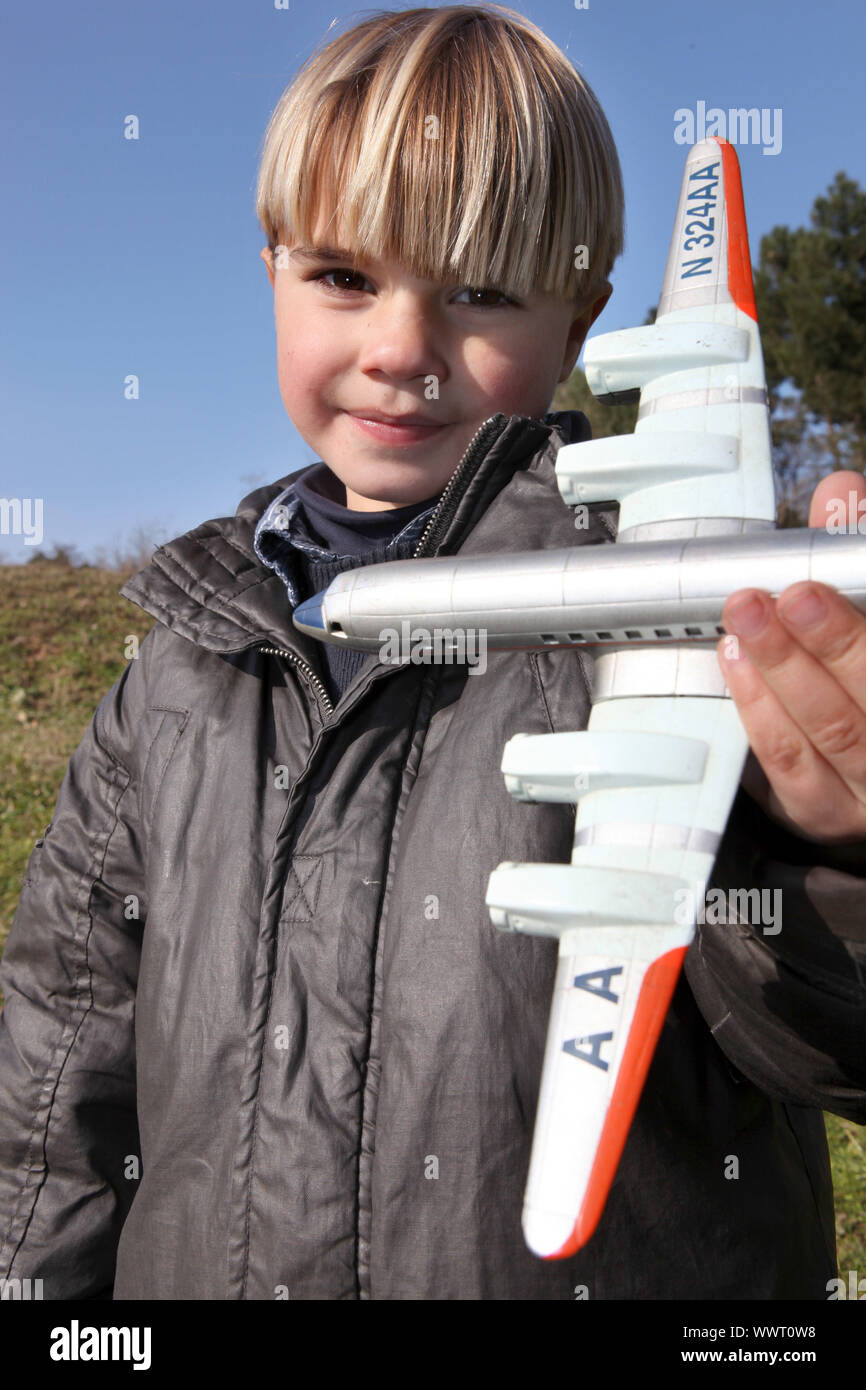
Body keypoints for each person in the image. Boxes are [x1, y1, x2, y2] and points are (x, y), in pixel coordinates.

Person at [1, 3, 864, 1301]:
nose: (400, 349)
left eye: (477, 291)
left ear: (578, 323)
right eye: (344, 276)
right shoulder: (171, 673)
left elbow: (821, 1038)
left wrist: (832, 847)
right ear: (272, 271)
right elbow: (53, 1078)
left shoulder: (680, 652)